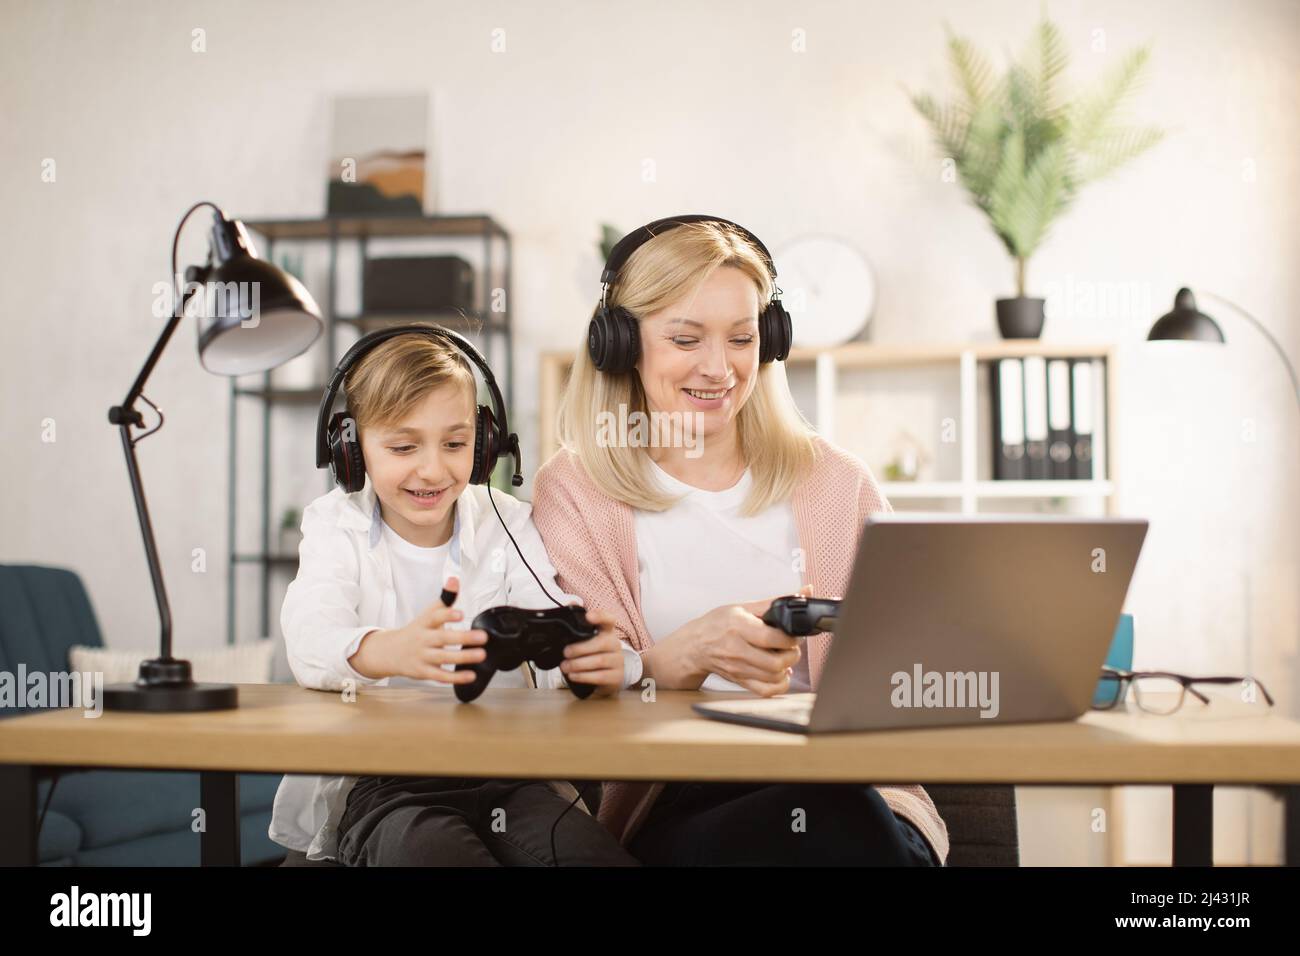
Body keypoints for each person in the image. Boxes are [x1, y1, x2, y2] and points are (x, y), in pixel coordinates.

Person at [532, 216, 949, 865]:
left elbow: (903, 683)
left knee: (848, 816)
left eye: (741, 338)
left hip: (856, 792)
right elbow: (574, 696)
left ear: (771, 341)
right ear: (621, 344)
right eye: (686, 338)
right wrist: (685, 655)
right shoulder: (577, 491)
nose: (719, 368)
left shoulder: (837, 483)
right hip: (679, 805)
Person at [270, 324, 639, 866]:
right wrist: (389, 650)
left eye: (455, 443)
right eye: (402, 445)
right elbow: (309, 638)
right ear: (351, 449)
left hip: (508, 774)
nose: (433, 469)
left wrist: (598, 661)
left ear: (485, 443)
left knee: (586, 852)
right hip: (387, 784)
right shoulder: (334, 526)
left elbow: (553, 615)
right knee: (433, 851)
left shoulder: (506, 521)